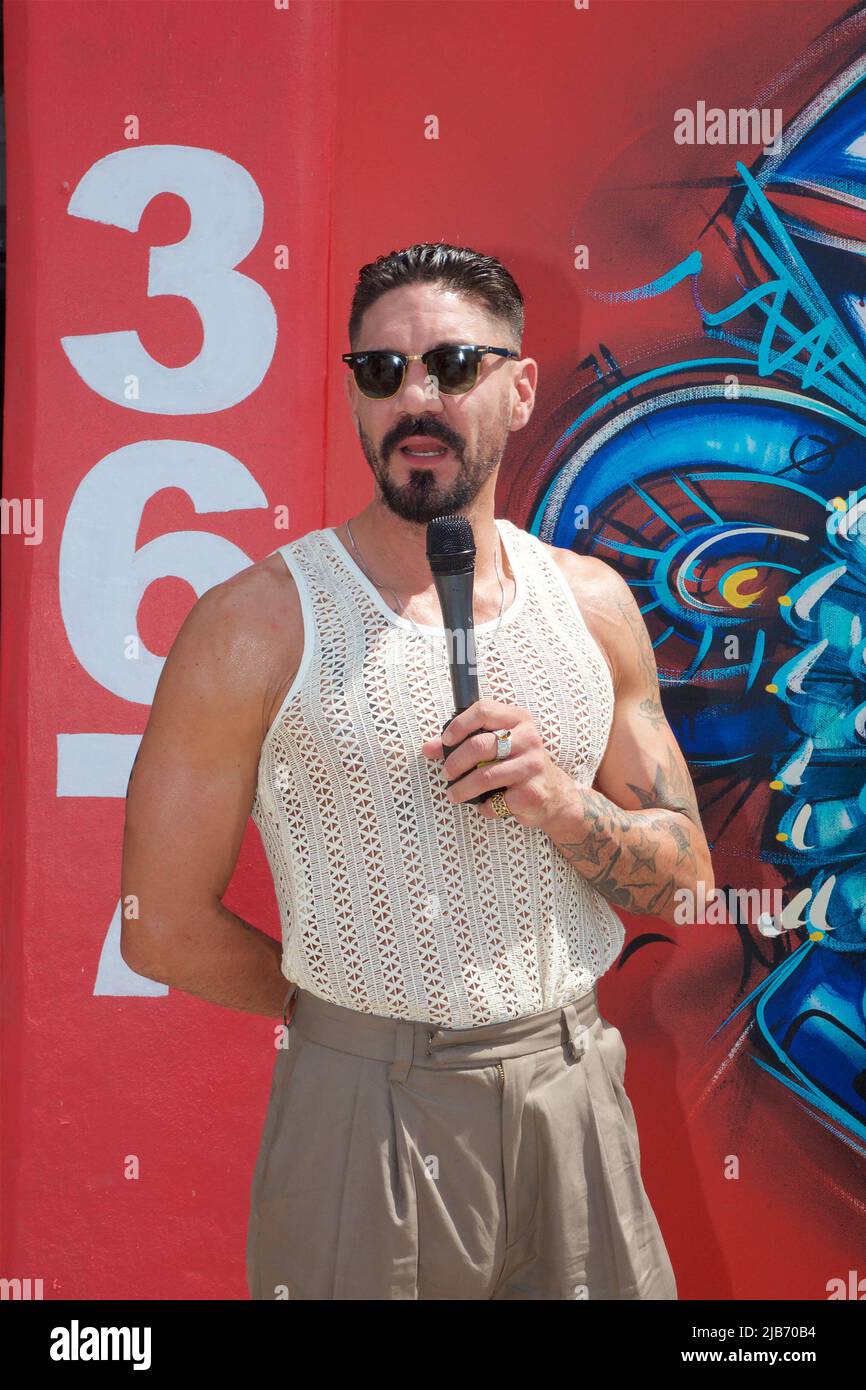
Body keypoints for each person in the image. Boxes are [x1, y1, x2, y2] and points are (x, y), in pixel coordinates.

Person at [121, 242, 713, 1301]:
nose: (415, 398)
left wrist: (561, 805)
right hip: (361, 1114)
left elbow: (683, 876)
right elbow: (157, 922)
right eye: (381, 372)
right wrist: (356, 1023)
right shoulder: (253, 624)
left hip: (573, 1089)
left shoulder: (591, 606)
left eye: (451, 364)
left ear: (521, 386)